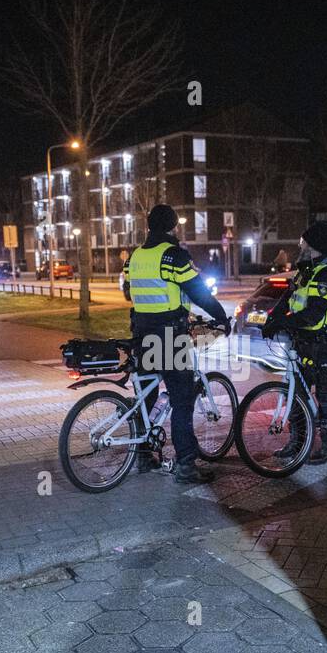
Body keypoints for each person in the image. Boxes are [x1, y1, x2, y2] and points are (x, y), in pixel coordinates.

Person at [125, 204, 230, 483]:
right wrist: (221, 317)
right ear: (173, 227)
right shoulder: (173, 255)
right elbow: (199, 293)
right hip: (170, 337)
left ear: (149, 227)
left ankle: (144, 455)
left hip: (141, 335)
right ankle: (186, 465)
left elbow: (128, 291)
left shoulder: (135, 257)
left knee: (146, 396)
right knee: (182, 400)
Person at [261, 221, 327, 463]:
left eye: (305, 244)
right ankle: (296, 442)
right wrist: (272, 320)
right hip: (302, 344)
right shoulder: (305, 272)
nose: (302, 248)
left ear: (316, 246)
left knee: (326, 396)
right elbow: (287, 300)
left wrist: (284, 324)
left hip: (323, 345)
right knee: (295, 394)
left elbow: (313, 315)